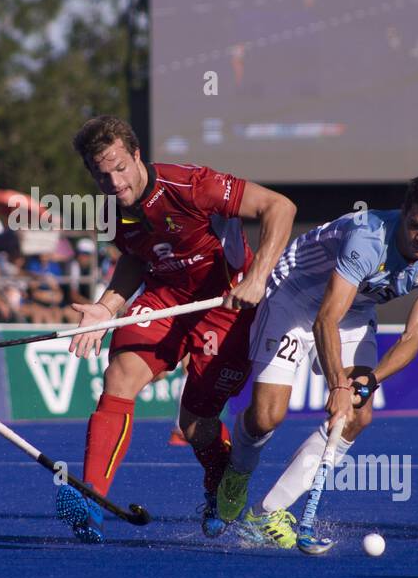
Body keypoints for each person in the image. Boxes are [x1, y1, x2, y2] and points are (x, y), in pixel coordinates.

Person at [58, 116, 296, 542]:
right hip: (166, 296)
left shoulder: (192, 185)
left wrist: (258, 276)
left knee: (195, 425)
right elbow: (134, 257)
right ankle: (92, 498)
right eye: (100, 174)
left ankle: (219, 482)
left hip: (226, 303)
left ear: (136, 155)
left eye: (119, 167)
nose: (112, 181)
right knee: (120, 375)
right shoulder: (112, 212)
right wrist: (106, 306)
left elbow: (280, 207)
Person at [215, 174, 418, 548]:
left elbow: (412, 338)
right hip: (292, 297)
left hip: (354, 312)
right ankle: (238, 469)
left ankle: (266, 515)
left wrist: (368, 382)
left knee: (359, 413)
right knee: (267, 416)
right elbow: (324, 319)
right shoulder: (368, 237)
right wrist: (339, 385)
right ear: (404, 212)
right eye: (415, 225)